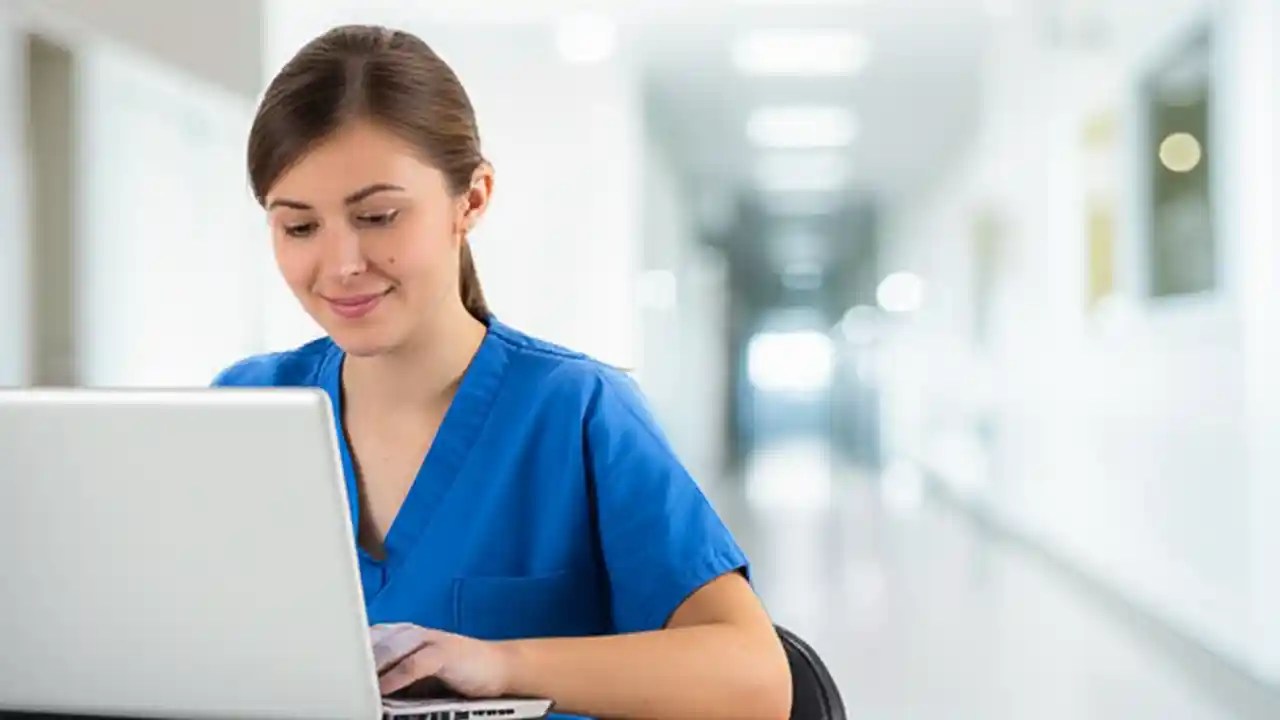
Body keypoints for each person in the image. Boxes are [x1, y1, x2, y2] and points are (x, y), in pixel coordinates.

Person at [213, 24, 791, 720]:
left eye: (378, 216)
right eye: (299, 227)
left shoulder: (576, 412)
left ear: (473, 199)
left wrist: (502, 664)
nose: (340, 265)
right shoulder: (245, 407)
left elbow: (756, 678)